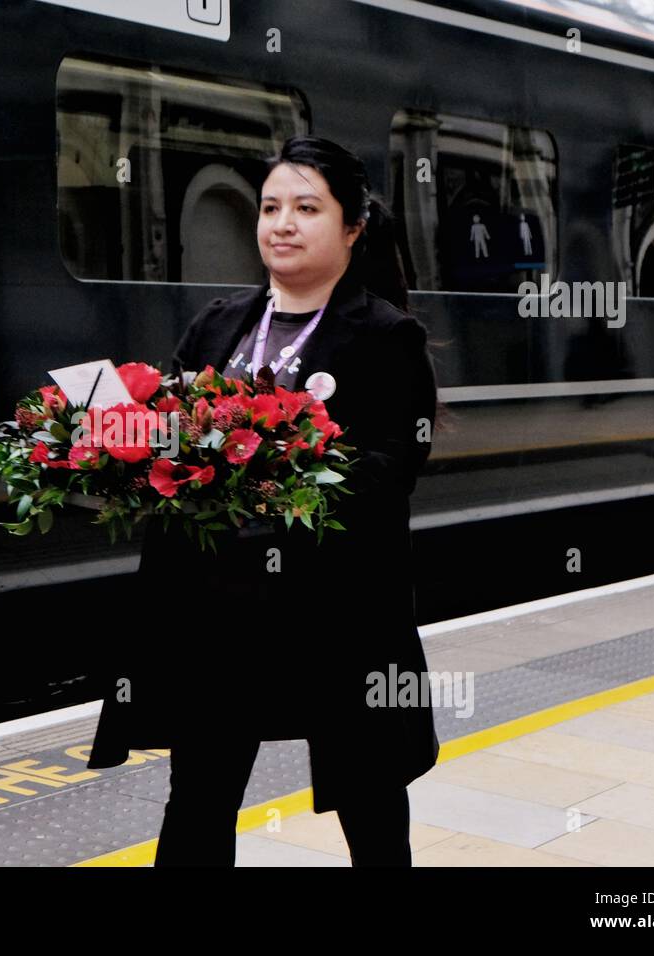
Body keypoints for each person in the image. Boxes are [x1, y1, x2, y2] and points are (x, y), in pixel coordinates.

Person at [85, 135, 441, 867]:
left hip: (334, 609)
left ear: (351, 228)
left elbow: (395, 462)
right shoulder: (219, 323)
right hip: (217, 607)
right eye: (271, 206)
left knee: (369, 791)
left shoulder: (386, 335)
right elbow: (168, 427)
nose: (282, 223)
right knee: (199, 794)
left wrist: (282, 484)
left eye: (307, 208)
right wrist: (104, 447)